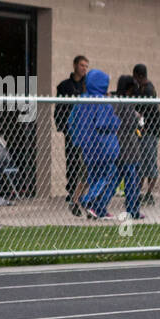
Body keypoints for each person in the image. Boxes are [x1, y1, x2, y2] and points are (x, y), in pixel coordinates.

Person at [70, 68, 119, 220]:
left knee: (93, 177)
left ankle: (97, 209)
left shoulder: (81, 101)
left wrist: (78, 139)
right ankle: (87, 200)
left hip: (87, 148)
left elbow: (71, 122)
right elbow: (106, 124)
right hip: (103, 147)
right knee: (109, 174)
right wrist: (117, 122)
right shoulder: (102, 102)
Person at [55, 55, 88, 216]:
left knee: (84, 162)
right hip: (72, 130)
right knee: (72, 160)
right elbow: (59, 108)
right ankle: (71, 190)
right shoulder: (65, 86)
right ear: (75, 65)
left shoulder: (87, 85)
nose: (84, 68)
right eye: (81, 65)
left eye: (86, 66)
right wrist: (62, 125)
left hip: (86, 131)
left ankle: (80, 193)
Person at [111, 74, 145, 219]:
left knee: (116, 178)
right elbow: (130, 124)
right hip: (127, 147)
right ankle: (133, 209)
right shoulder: (123, 103)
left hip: (122, 146)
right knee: (131, 178)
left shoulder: (116, 102)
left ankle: (97, 204)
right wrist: (137, 118)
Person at [132, 63, 160, 205]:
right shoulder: (142, 89)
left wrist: (142, 124)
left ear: (139, 75)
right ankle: (139, 192)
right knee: (142, 162)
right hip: (145, 130)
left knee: (149, 161)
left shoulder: (149, 90)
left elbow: (145, 110)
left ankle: (149, 193)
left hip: (151, 130)